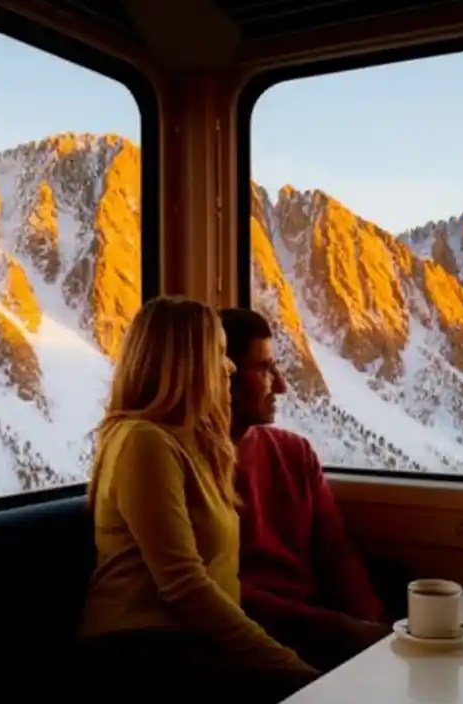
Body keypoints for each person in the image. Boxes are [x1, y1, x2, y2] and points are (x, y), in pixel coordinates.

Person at [76, 296, 320, 703]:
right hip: (138, 652)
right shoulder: (143, 441)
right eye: (220, 354)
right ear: (186, 364)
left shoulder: (193, 445)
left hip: (190, 645)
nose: (229, 368)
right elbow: (185, 586)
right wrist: (285, 662)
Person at [220, 307, 395, 672]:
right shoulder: (188, 464)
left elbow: (336, 551)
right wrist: (344, 632)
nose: (281, 385)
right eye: (263, 369)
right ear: (223, 375)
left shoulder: (294, 453)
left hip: (322, 626)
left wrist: (372, 631)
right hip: (252, 640)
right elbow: (218, 592)